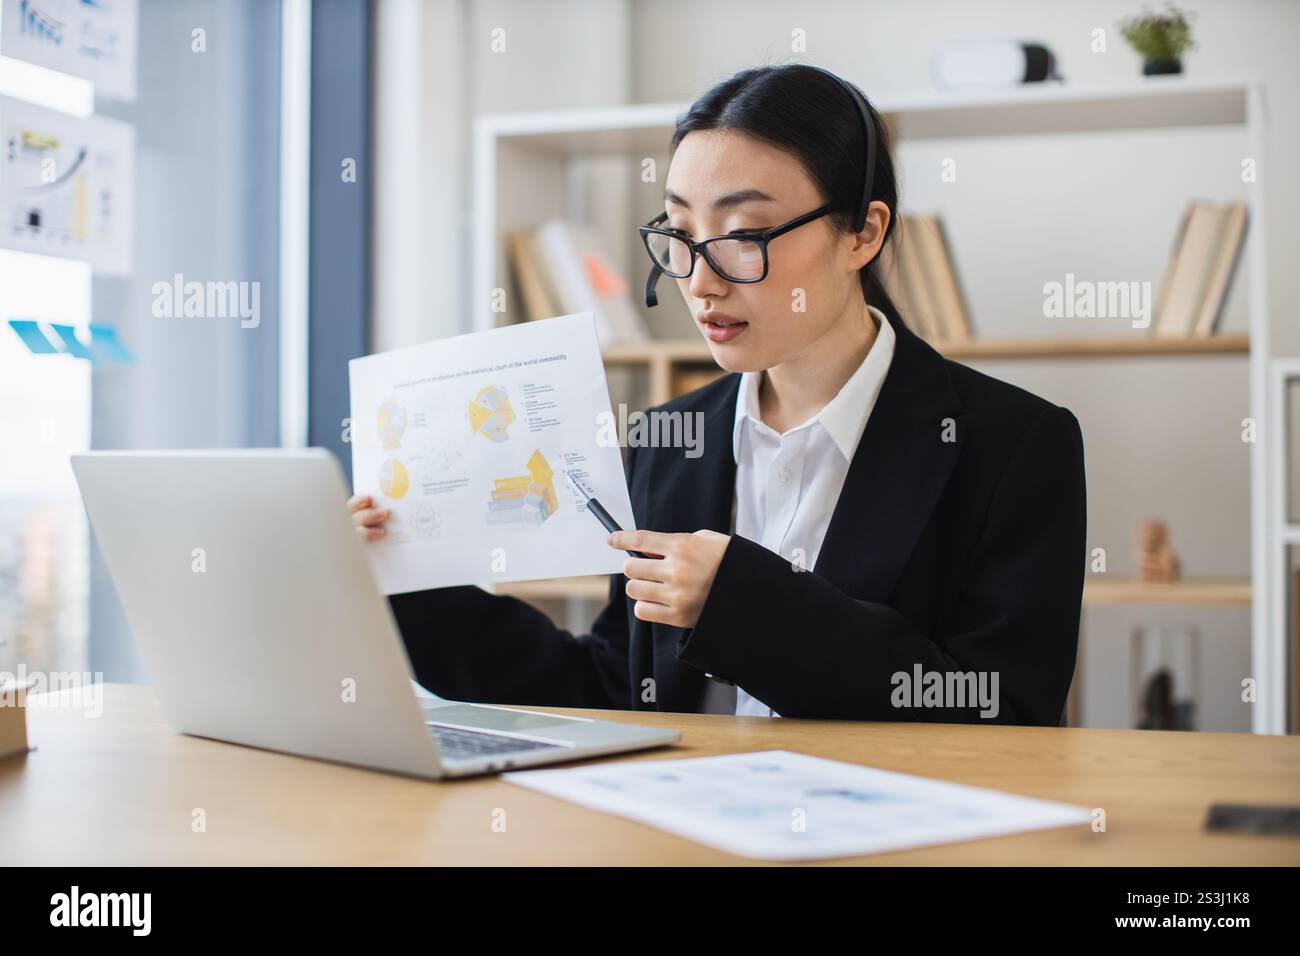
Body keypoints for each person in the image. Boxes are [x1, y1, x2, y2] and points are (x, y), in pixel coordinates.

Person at [349, 63, 1086, 725]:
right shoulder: (668, 440)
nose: (700, 282)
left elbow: (1001, 705)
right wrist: (397, 583)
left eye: (744, 234)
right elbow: (615, 688)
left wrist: (744, 607)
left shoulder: (1013, 446)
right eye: (679, 232)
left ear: (863, 233)